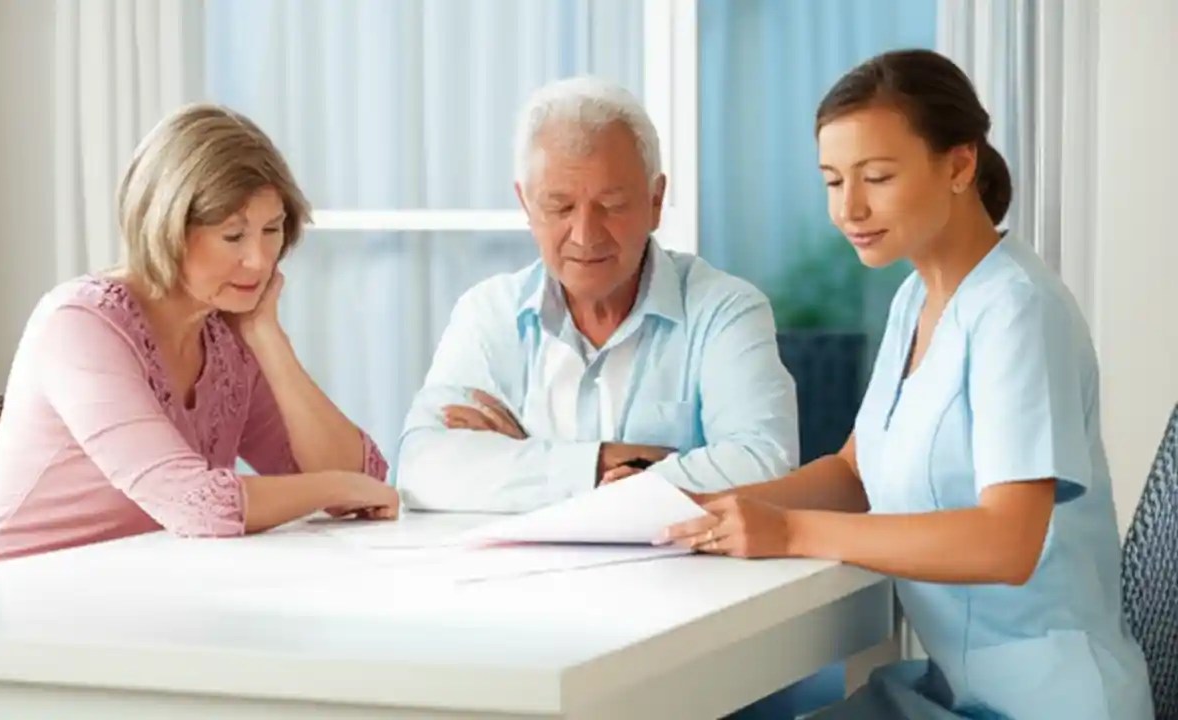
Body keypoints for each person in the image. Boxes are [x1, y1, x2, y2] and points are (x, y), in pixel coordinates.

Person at [667, 49, 1153, 719]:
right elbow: (852, 472)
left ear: (959, 165)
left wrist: (789, 531)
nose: (850, 208)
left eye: (877, 177)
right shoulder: (914, 301)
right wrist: (701, 507)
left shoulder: (1017, 309)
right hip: (957, 690)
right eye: (833, 181)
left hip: (1046, 703)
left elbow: (1007, 541)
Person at [0, 104, 397, 572]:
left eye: (272, 230)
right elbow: (198, 505)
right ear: (167, 227)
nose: (259, 260)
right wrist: (338, 487)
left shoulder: (227, 334)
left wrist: (267, 337)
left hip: (120, 594)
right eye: (233, 236)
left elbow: (364, 481)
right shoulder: (78, 323)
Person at [395, 76, 798, 513]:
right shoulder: (488, 313)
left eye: (612, 205)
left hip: (681, 578)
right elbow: (421, 470)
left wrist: (528, 462)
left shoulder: (725, 310)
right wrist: (601, 462)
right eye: (560, 207)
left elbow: (766, 465)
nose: (586, 236)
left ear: (656, 200)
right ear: (526, 205)